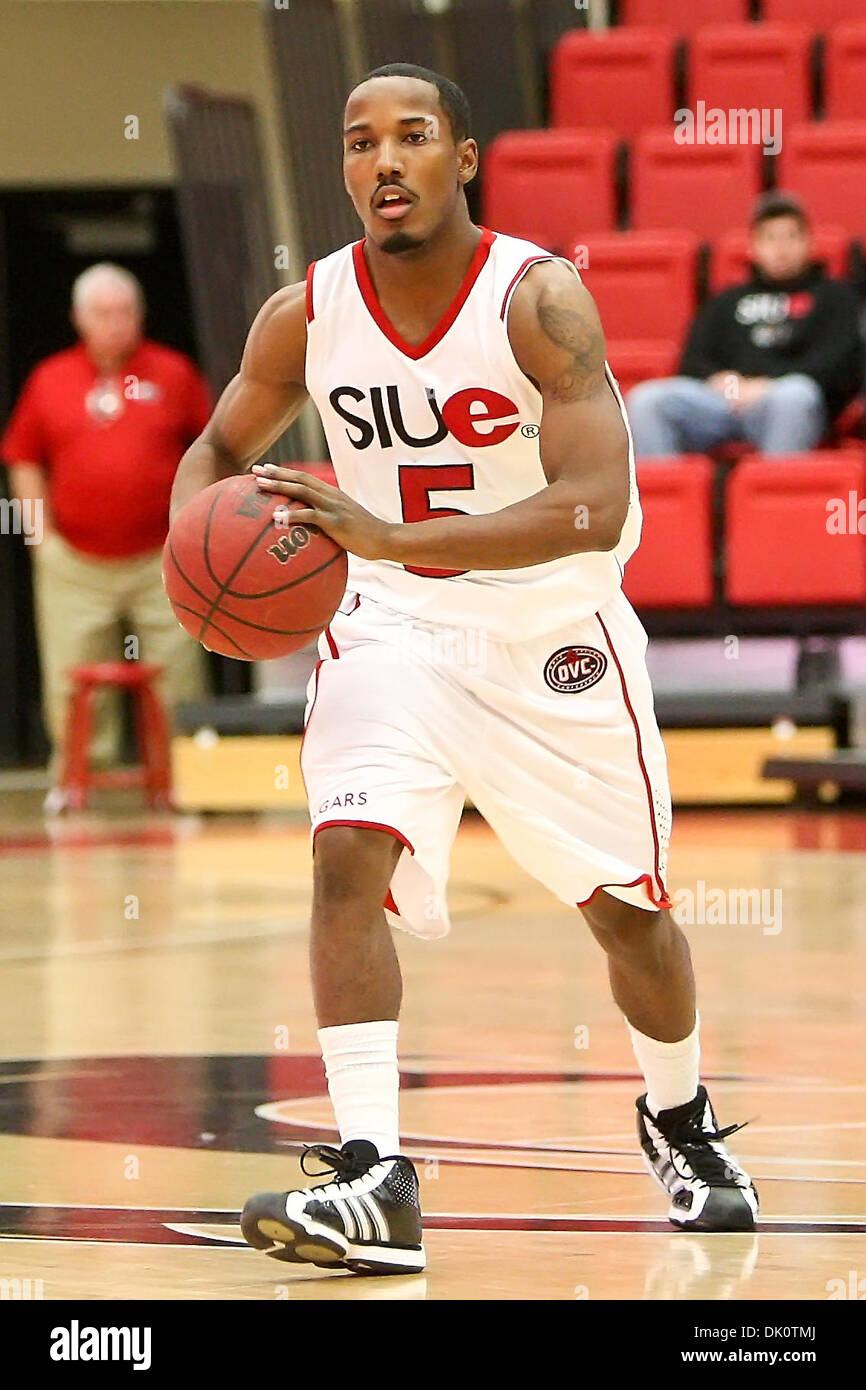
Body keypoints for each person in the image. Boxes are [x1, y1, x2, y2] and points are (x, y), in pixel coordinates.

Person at [171, 63, 758, 1274]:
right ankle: (375, 1176)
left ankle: (680, 1120)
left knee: (626, 912)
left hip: (548, 635)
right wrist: (199, 563)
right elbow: (222, 444)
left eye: (412, 136)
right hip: (386, 623)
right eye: (358, 143)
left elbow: (593, 509)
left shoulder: (537, 301)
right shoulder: (305, 311)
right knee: (344, 854)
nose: (383, 162)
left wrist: (395, 535)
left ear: (464, 157)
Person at [1, 263, 211, 810]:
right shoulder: (50, 378)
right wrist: (39, 537)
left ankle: (185, 779)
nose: (116, 323)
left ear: (140, 314)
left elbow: (212, 448)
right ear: (78, 318)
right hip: (75, 561)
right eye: (103, 313)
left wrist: (196, 529)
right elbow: (23, 457)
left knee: (178, 674)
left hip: (163, 559)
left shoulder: (173, 372)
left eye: (125, 311)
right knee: (71, 679)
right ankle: (74, 781)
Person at [627, 192, 862, 458]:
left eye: (790, 237)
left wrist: (766, 385)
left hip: (787, 401)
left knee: (796, 394)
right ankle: (664, 499)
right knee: (647, 401)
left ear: (808, 243)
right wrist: (725, 382)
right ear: (753, 247)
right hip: (724, 403)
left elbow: (841, 366)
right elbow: (692, 361)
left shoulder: (836, 297)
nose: (780, 248)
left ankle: (774, 496)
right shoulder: (727, 300)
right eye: (770, 238)